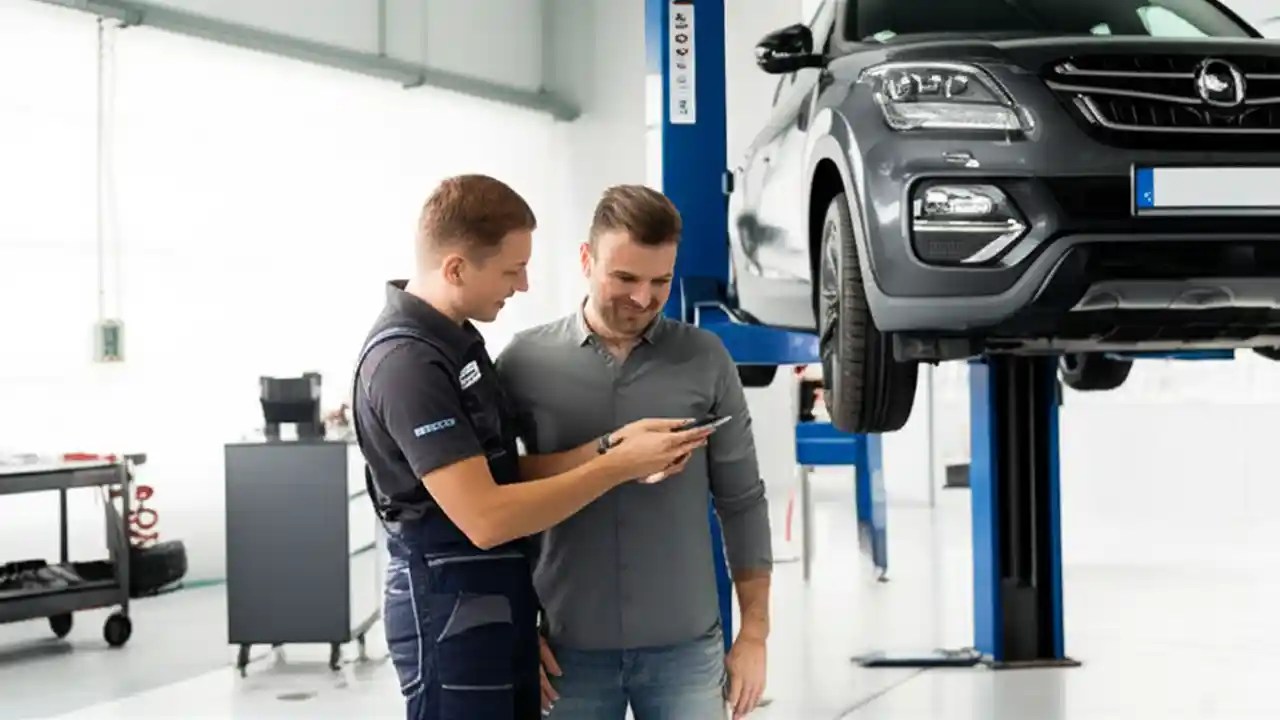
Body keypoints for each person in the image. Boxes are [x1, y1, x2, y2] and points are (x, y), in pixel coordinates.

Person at [350, 174, 716, 720]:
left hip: (494, 604)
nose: (523, 285)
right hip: (448, 616)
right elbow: (486, 517)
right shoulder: (407, 366)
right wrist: (617, 467)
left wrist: (609, 446)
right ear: (456, 269)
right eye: (511, 270)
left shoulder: (455, 342)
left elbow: (502, 474)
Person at [494, 185, 773, 720]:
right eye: (624, 278)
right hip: (564, 654)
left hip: (687, 654)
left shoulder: (706, 359)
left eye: (660, 281)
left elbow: (742, 501)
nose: (643, 299)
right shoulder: (523, 364)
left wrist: (754, 634)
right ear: (586, 260)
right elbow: (497, 501)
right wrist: (513, 630)